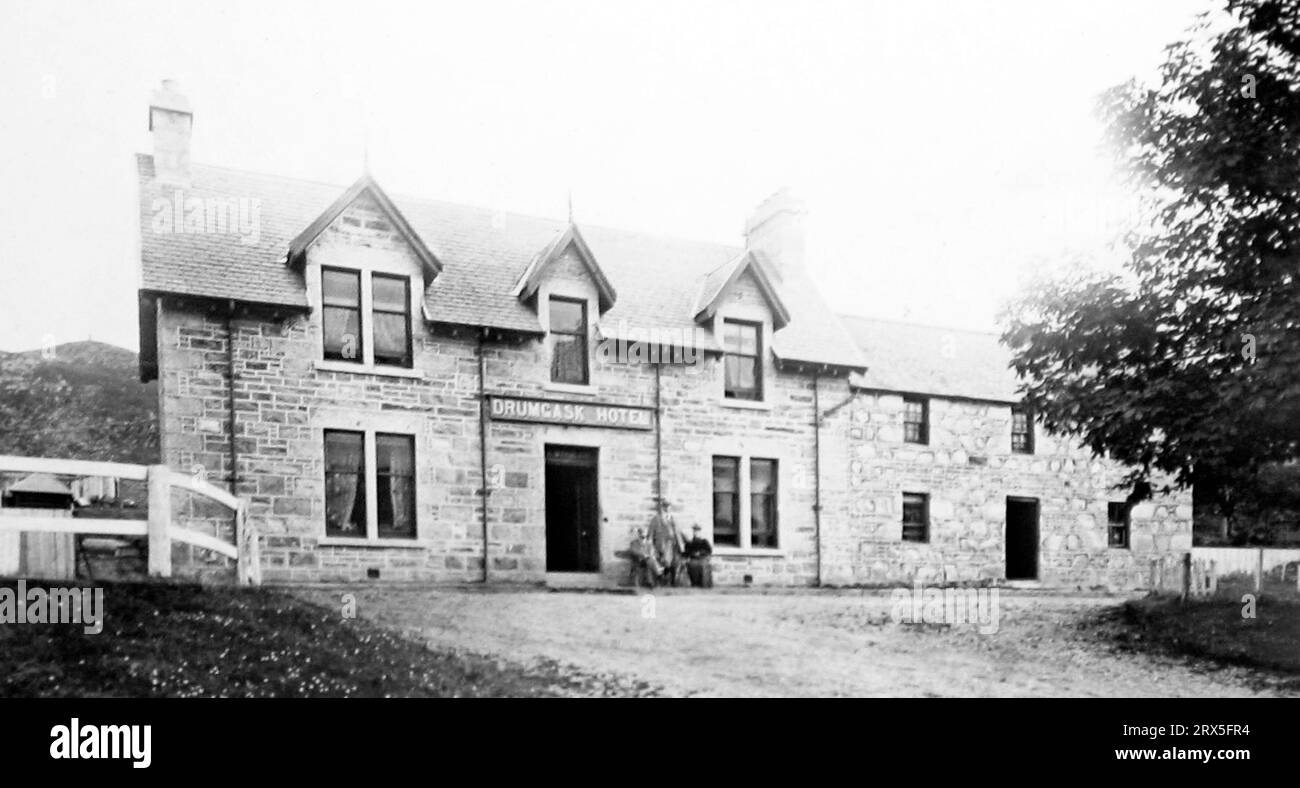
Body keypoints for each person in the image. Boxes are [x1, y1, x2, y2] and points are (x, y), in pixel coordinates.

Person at [647, 499, 684, 585]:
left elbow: (678, 532)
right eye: (665, 506)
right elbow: (650, 534)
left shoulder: (673, 519)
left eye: (668, 507)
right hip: (661, 545)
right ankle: (661, 580)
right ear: (662, 507)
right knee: (663, 562)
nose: (667, 508)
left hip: (673, 545)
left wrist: (682, 544)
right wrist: (650, 546)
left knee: (675, 562)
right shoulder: (656, 519)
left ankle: (673, 581)